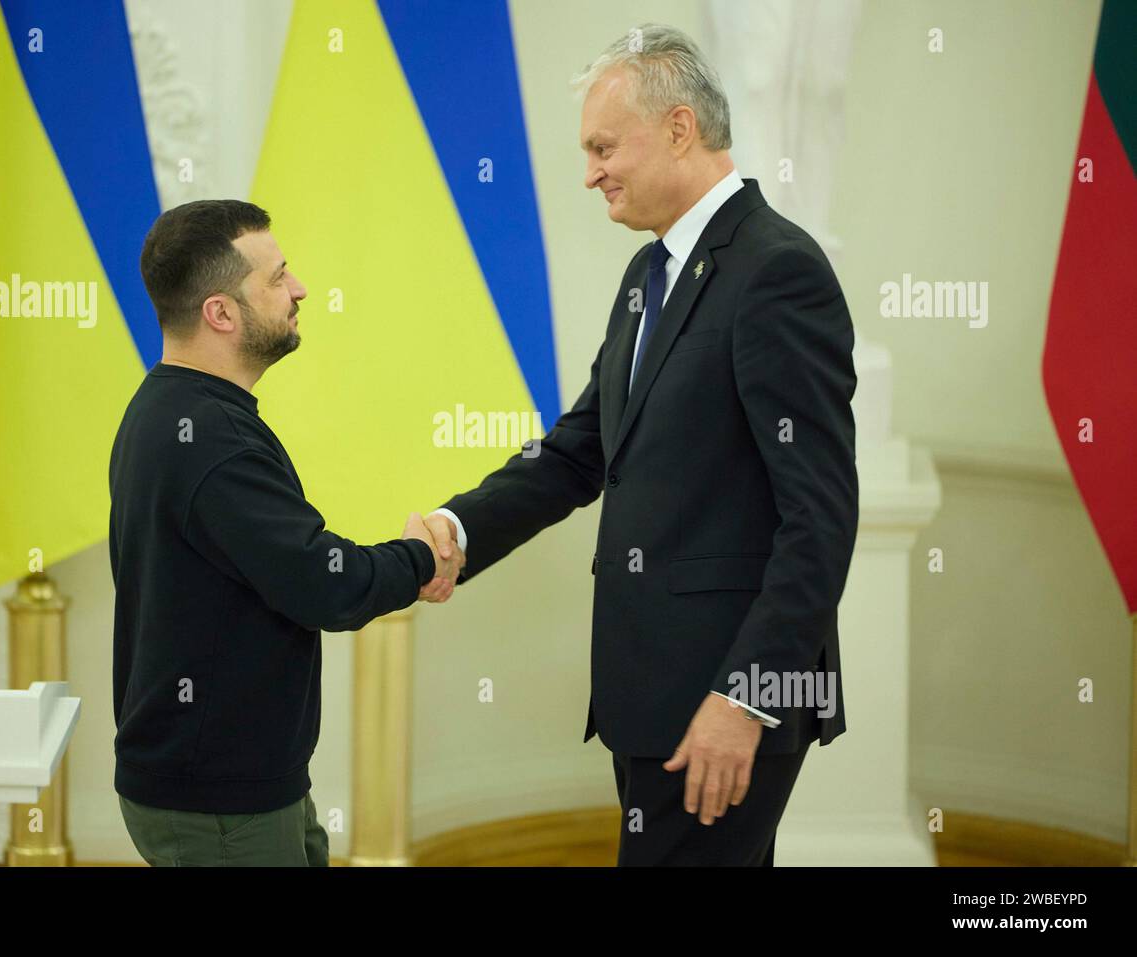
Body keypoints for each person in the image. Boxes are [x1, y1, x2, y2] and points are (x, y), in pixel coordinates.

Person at [421, 24, 858, 866]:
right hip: (656, 695)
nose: (589, 173)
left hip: (723, 700)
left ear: (680, 129)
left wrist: (747, 698)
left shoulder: (777, 272)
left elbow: (821, 516)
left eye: (602, 147)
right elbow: (583, 448)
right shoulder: (648, 273)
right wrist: (459, 527)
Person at [109, 199, 463, 866]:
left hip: (228, 785)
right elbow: (324, 584)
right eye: (276, 277)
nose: (298, 288)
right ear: (221, 312)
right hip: (218, 802)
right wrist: (420, 556)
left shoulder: (167, 406)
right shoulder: (213, 440)